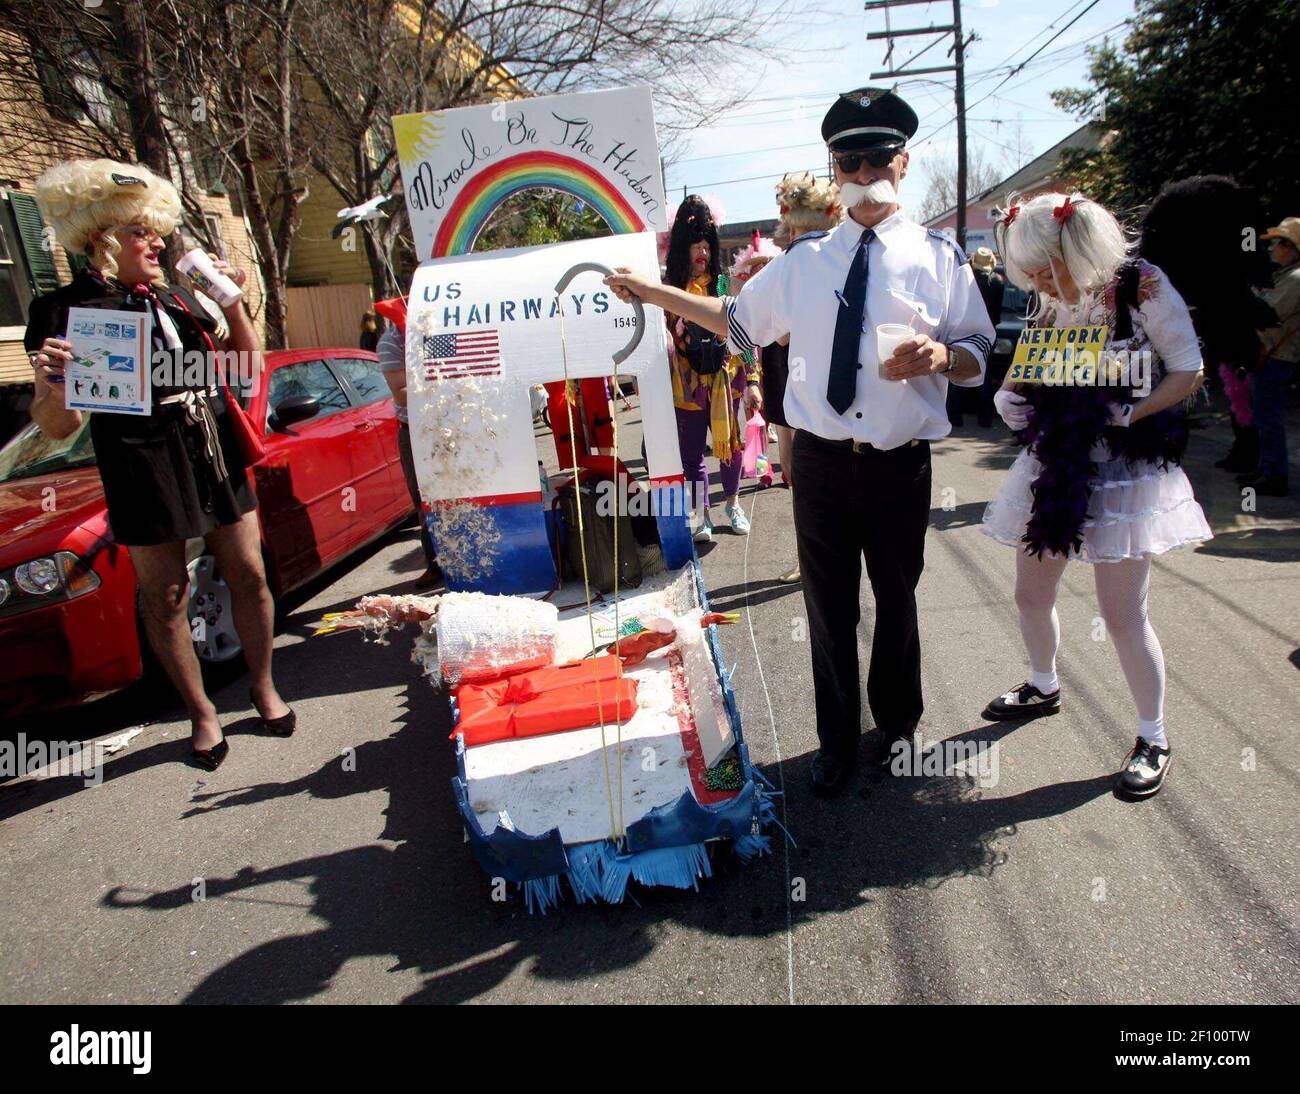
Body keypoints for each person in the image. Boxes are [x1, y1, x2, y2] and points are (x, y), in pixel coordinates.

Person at [607, 88, 994, 796]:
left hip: (899, 467)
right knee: (828, 607)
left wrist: (942, 358)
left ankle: (899, 721)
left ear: (903, 163)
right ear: (836, 170)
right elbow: (735, 321)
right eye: (849, 159)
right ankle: (836, 741)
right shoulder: (805, 260)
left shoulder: (940, 256)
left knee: (897, 597)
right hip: (819, 464)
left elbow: (977, 351)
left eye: (877, 157)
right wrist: (652, 291)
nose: (864, 170)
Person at [26, 158, 294, 771]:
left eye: (154, 229)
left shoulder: (176, 298)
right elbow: (63, 425)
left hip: (209, 442)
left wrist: (234, 304)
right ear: (102, 239)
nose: (156, 241)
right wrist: (48, 388)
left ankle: (262, 686)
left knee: (248, 572)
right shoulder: (63, 311)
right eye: (140, 232)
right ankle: (202, 713)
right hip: (140, 459)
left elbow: (244, 366)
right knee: (167, 593)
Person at [981, 191, 1212, 801]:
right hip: (1055, 465)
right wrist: (1012, 397)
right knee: (1030, 593)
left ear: (1075, 250)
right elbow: (1028, 371)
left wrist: (1132, 412)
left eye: (1041, 270)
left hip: (1127, 471)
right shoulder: (1050, 301)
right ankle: (1042, 683)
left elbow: (1188, 370)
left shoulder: (1143, 285)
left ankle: (1153, 736)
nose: (1035, 284)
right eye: (1025, 274)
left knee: (1121, 615)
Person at [662, 195, 761, 542]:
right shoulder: (670, 288)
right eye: (695, 246)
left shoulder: (722, 284)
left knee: (730, 447)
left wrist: (751, 379)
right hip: (686, 386)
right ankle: (699, 514)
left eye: (706, 245)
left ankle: (732, 505)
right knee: (691, 456)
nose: (702, 252)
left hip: (726, 381)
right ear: (682, 250)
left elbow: (745, 333)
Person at [766, 172, 845, 583]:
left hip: (815, 381)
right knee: (793, 469)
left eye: (811, 228)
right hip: (786, 373)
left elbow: (783, 332)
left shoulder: (839, 266)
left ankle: (815, 558)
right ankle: (808, 556)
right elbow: (775, 334)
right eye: (797, 228)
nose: (802, 237)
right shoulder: (786, 269)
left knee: (807, 471)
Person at [375, 305, 441, 587]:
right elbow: (402, 394)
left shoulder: (441, 328)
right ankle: (436, 564)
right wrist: (441, 383)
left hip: (453, 423)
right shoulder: (390, 342)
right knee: (425, 501)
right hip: (414, 431)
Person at [1247, 216, 1300, 496]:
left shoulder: (1295, 279)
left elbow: (1269, 313)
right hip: (1271, 354)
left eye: (1278, 243)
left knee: (1268, 416)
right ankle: (1267, 466)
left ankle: (1274, 474)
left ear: (1291, 247)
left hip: (1277, 356)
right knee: (1263, 414)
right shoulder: (1285, 276)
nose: (1271, 249)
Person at [950, 245, 1006, 428]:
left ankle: (954, 416)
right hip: (989, 331)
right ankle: (986, 417)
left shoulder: (967, 280)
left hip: (964, 328)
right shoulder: (998, 281)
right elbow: (997, 311)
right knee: (985, 375)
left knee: (958, 373)